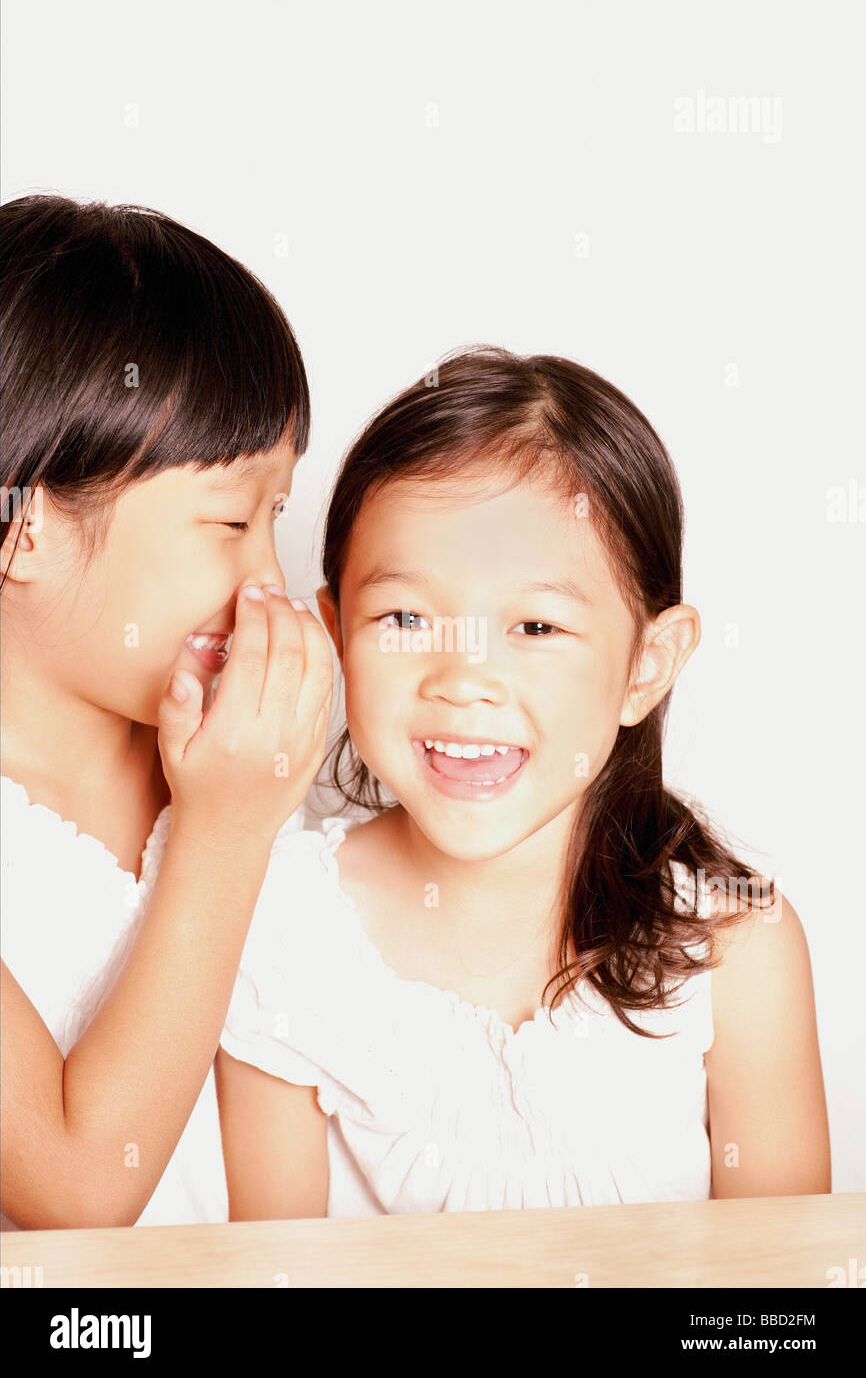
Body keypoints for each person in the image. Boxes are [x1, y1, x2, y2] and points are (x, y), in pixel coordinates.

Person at [215, 346, 831, 1217]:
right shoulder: (278, 924)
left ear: (646, 667)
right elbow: (275, 1280)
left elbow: (780, 1313)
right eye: (404, 617)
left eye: (537, 625)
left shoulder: (736, 948)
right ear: (336, 632)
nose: (465, 679)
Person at [0, 194, 333, 1228]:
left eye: (274, 515)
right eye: (229, 517)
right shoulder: (226, 801)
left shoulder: (223, 755)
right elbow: (76, 1191)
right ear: (26, 524)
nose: (267, 576)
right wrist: (223, 833)